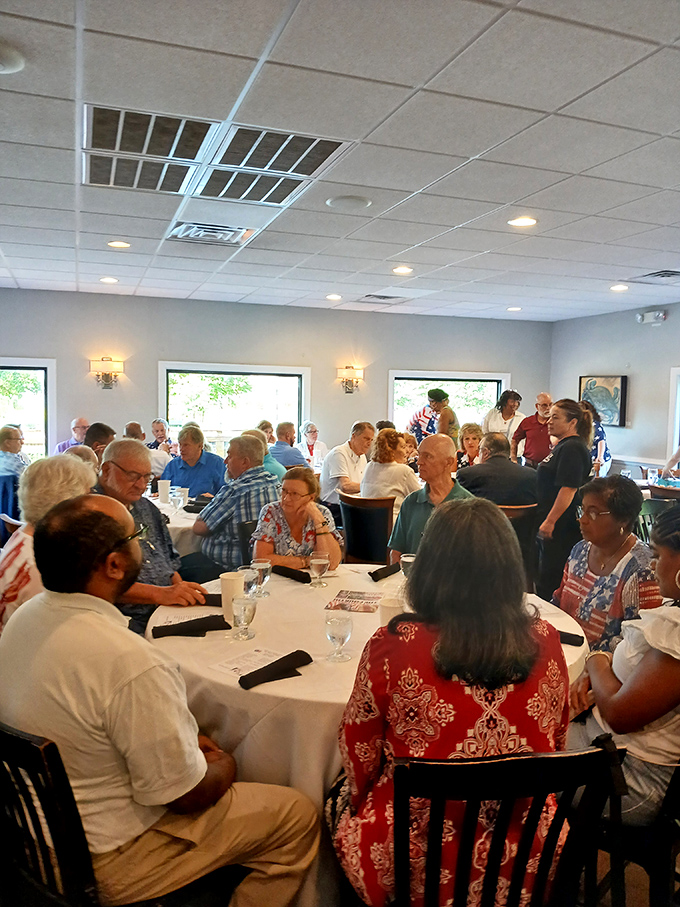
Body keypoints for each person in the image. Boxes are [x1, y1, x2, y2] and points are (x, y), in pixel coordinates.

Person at [0, 494, 320, 905]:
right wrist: (224, 763)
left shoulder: (25, 618)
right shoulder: (130, 661)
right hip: (107, 857)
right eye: (136, 535)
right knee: (296, 815)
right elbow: (186, 796)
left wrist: (186, 742)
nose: (142, 542)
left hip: (29, 832)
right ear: (114, 565)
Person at [329, 498, 569, 905]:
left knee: (333, 798)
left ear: (429, 566)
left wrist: (359, 800)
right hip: (528, 849)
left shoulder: (393, 646)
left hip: (415, 856)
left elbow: (359, 754)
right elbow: (556, 738)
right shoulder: (546, 639)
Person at [568, 504, 680, 825]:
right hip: (613, 754)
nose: (653, 565)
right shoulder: (673, 614)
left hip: (627, 781)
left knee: (516, 748)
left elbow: (619, 714)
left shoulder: (676, 638)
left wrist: (595, 662)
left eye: (659, 555)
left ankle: (540, 866)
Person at [98, 440, 207, 632]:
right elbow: (98, 585)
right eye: (133, 476)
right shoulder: (91, 515)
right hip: (123, 620)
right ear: (106, 470)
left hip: (164, 608)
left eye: (146, 477)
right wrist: (160, 594)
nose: (141, 485)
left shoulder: (146, 507)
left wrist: (180, 591)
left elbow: (169, 561)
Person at [552, 476, 661, 652]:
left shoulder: (642, 571)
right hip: (565, 648)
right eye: (583, 511)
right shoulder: (580, 550)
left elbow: (637, 646)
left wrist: (593, 664)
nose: (583, 520)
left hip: (605, 671)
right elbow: (558, 599)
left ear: (623, 520)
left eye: (593, 513)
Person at [0, 455, 94, 635]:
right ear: (65, 503)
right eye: (87, 496)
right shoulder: (41, 564)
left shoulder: (23, 535)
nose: (92, 504)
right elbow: (59, 635)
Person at [186, 435, 281, 581]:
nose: (225, 461)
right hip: (269, 565)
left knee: (173, 567)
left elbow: (199, 528)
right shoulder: (277, 485)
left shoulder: (235, 491)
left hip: (227, 568)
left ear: (244, 462)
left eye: (229, 456)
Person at [535, 399, 593, 602]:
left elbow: (568, 489)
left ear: (572, 422)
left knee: (552, 578)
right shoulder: (563, 447)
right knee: (545, 575)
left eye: (555, 417)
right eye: (549, 416)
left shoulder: (573, 449)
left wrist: (550, 521)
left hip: (561, 526)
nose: (549, 421)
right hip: (551, 520)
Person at [388, 434, 472, 562]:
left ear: (448, 462)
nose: (419, 461)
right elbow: (396, 553)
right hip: (412, 580)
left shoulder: (469, 506)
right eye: (419, 455)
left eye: (427, 456)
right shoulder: (411, 502)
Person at [252, 467, 342, 570]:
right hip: (278, 581)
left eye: (295, 494)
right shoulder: (271, 512)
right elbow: (261, 560)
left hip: (312, 581)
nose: (286, 498)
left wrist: (318, 520)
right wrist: (305, 561)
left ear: (311, 498)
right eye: (284, 491)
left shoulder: (322, 513)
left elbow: (331, 563)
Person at [457, 432, 538, 505]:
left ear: (485, 452)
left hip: (484, 520)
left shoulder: (466, 475)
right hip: (522, 521)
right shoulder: (531, 475)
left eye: (479, 450)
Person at [319, 421, 375, 523]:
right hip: (334, 509)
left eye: (371, 440)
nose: (369, 443)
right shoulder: (339, 453)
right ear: (353, 436)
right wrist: (372, 487)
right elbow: (345, 487)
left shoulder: (362, 457)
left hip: (353, 505)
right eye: (366, 439)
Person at [360, 428, 421, 518]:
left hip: (366, 525)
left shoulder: (369, 466)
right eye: (403, 447)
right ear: (391, 450)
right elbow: (420, 499)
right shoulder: (404, 471)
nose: (407, 451)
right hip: (393, 527)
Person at [160, 425, 226, 498]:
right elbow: (163, 492)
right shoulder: (173, 465)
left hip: (205, 507)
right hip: (175, 507)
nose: (181, 449)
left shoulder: (217, 464)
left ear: (200, 446)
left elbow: (226, 495)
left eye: (186, 445)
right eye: (180, 444)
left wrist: (214, 498)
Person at [511, 392, 552, 467]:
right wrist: (513, 459)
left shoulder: (556, 423)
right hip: (530, 465)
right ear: (537, 406)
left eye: (550, 404)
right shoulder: (527, 422)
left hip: (550, 466)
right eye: (544, 405)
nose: (548, 408)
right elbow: (514, 440)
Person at [581, 399, 612, 477]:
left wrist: (600, 457)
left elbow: (601, 440)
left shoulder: (594, 425)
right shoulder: (581, 426)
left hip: (599, 460)